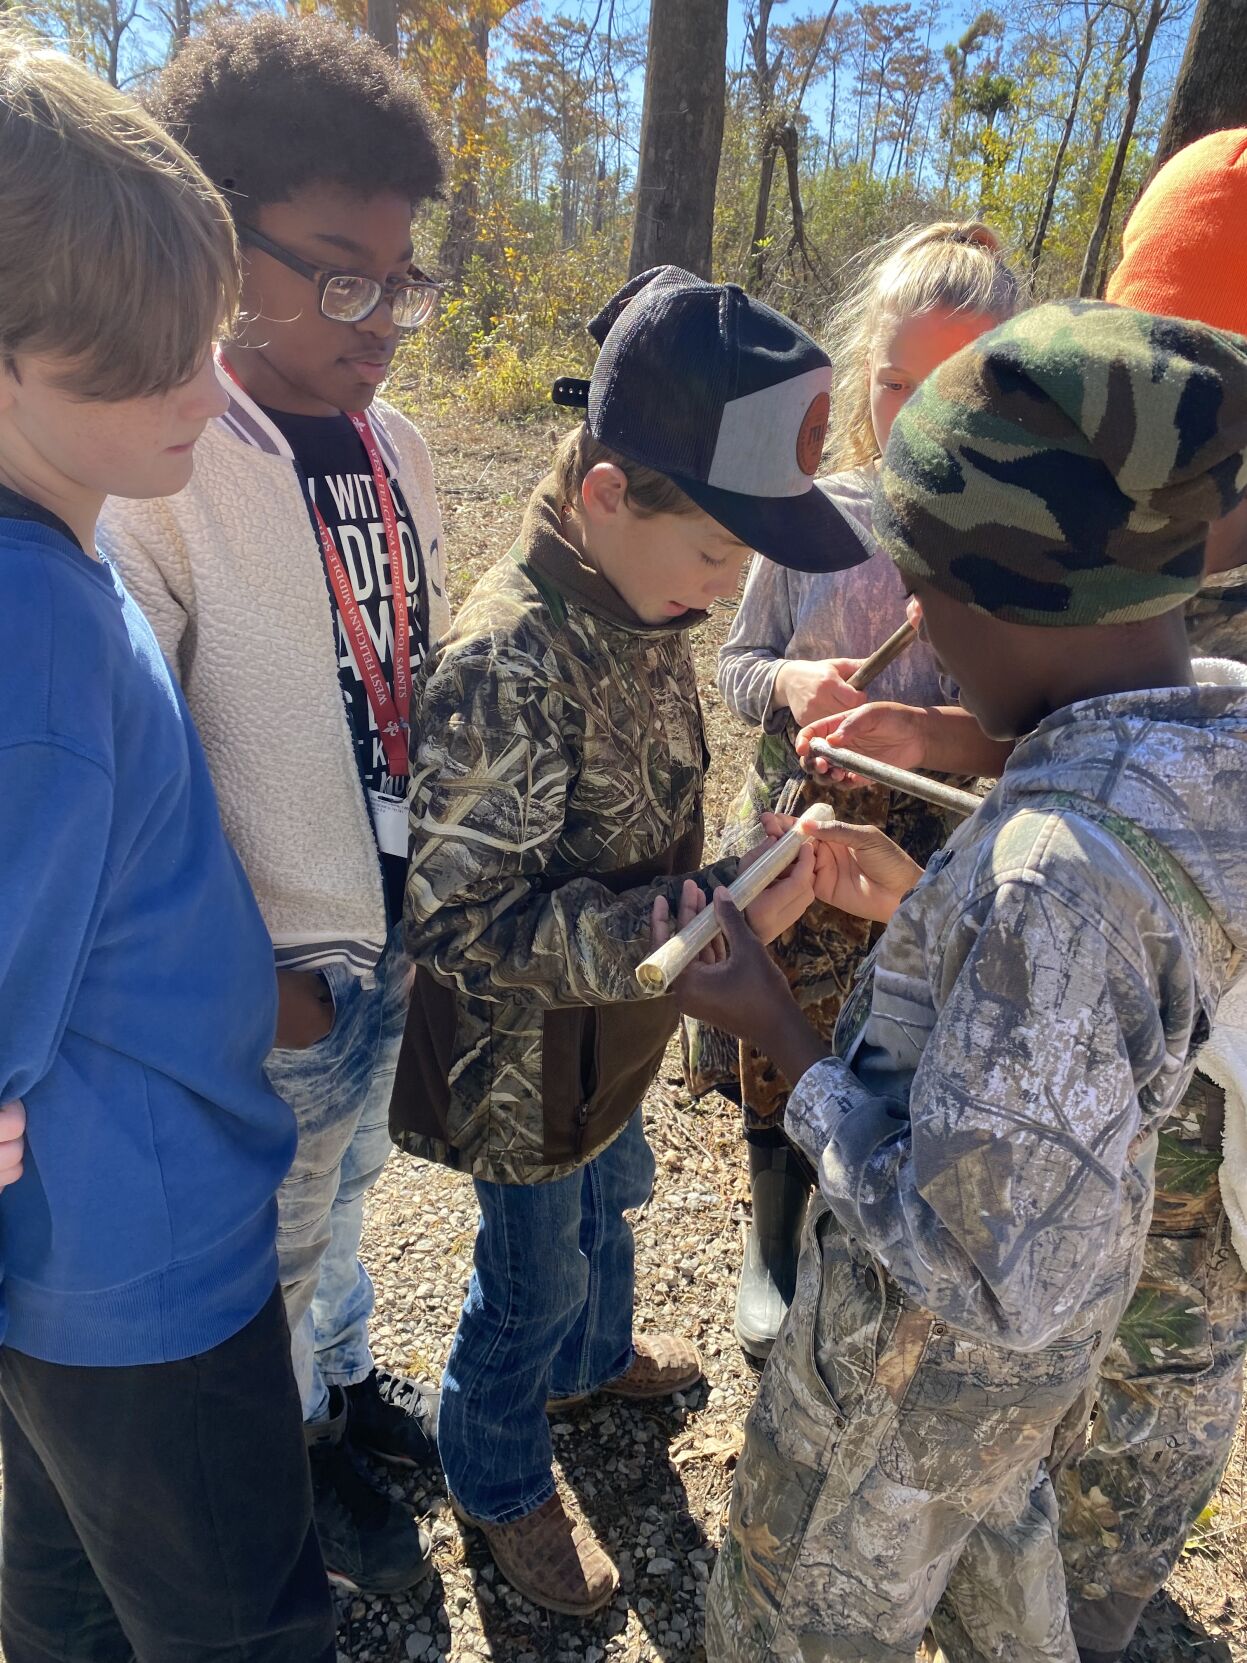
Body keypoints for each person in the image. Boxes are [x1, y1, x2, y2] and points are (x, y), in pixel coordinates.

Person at [659, 298, 1247, 1662]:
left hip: (907, 1373)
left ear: (1005, 596)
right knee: (995, 1551)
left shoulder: (1044, 873)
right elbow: (1077, 1029)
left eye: (920, 586)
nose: (904, 615)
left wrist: (781, 1035)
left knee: (795, 1610)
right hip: (1056, 1339)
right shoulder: (1207, 726)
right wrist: (937, 896)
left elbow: (967, 1259)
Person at [389, 265, 870, 1616]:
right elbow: (458, 921)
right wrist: (679, 935)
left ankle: (595, 1357)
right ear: (607, 494)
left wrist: (732, 882)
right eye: (718, 553)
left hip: (616, 1028)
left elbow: (641, 821)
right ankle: (494, 1475)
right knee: (525, 1275)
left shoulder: (638, 593)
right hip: (516, 1063)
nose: (727, 590)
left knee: (615, 1203)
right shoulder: (506, 662)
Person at [100, 15, 448, 1596]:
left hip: (397, 938)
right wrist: (265, 980)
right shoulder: (158, 477)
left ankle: (348, 1378)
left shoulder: (408, 454)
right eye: (337, 275)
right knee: (274, 1242)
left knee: (360, 1195)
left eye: (402, 277)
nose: (379, 321)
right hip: (279, 980)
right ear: (216, 241)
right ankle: (289, 1456)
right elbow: (148, 785)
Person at [0, 29, 334, 1660]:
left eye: (203, 338)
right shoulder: (34, 635)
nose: (202, 390)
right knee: (233, 1615)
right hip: (145, 1268)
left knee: (64, 1580)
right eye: (129, 367)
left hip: (85, 1271)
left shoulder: (52, 563)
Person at [699, 221, 1024, 1359]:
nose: (916, 413)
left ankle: (870, 1226)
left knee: (902, 1044)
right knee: (773, 1026)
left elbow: (1027, 728)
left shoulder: (1018, 546)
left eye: (955, 386)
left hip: (933, 851)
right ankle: (773, 1235)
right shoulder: (810, 519)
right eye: (894, 383)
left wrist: (934, 740)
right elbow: (735, 671)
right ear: (860, 381)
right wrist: (789, 680)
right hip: (799, 832)